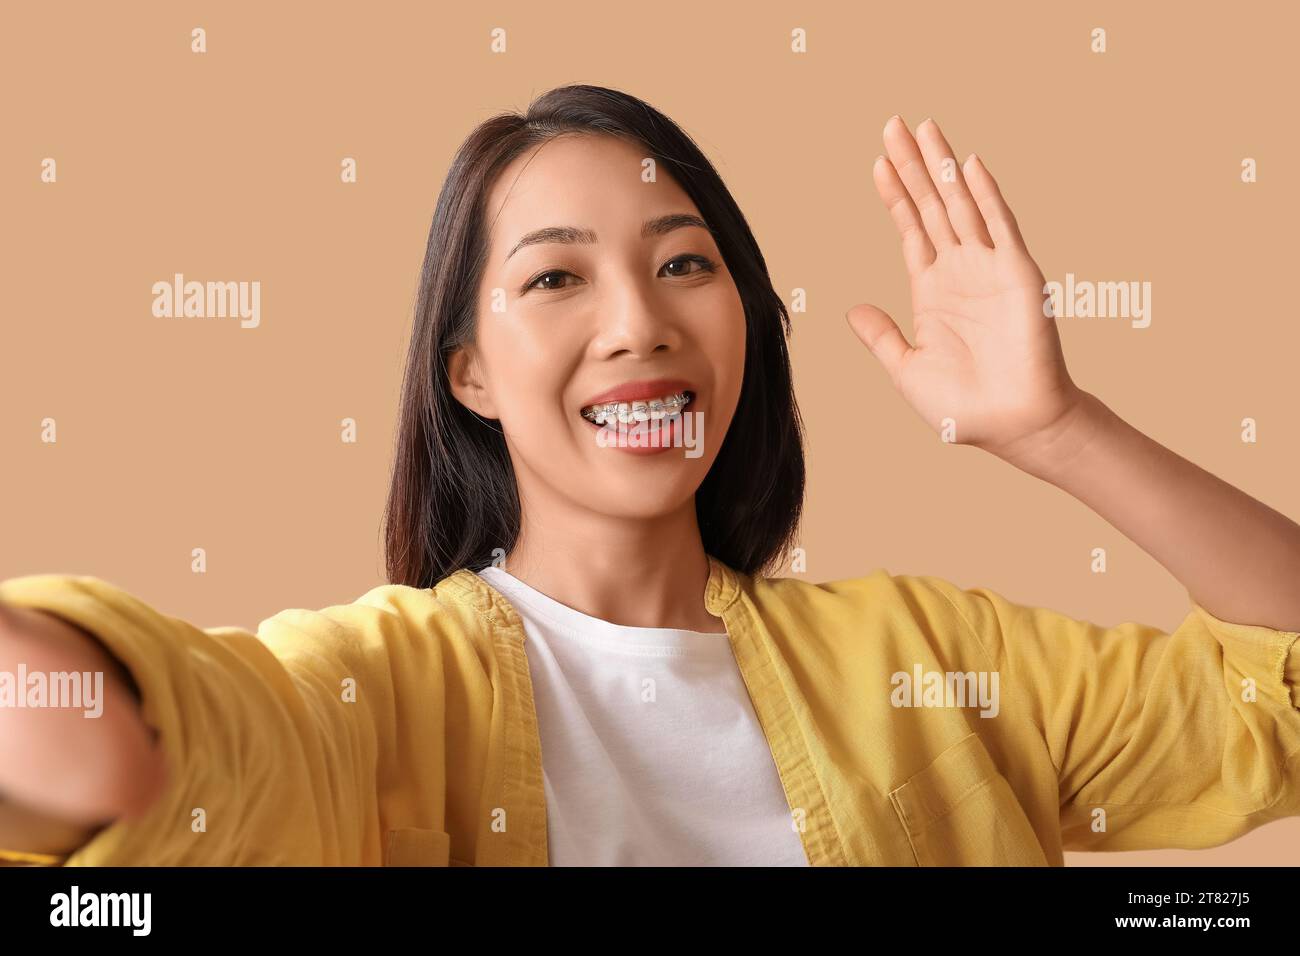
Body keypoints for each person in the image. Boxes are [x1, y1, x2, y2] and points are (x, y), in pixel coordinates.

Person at [2, 84, 1299, 867]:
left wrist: (1057, 430)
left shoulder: (926, 653)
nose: (640, 323)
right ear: (468, 373)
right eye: (557, 276)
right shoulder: (377, 688)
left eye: (685, 263)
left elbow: (1279, 693)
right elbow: (121, 766)